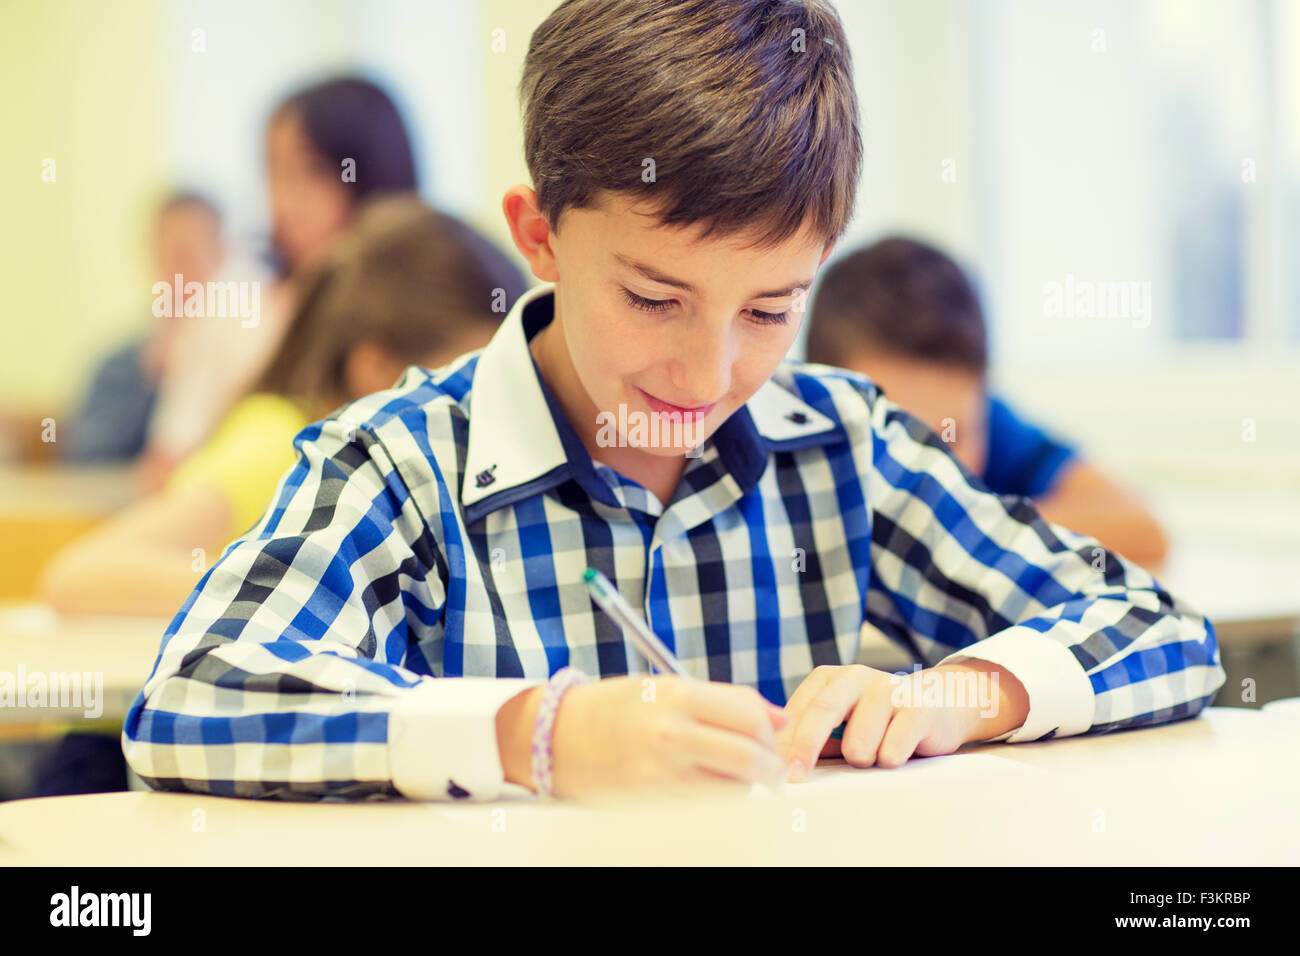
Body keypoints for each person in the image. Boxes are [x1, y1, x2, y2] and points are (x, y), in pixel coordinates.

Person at [123, 0, 1223, 806]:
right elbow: (195, 696)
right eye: (654, 297)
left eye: (768, 310)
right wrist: (531, 732)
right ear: (539, 233)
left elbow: (1161, 629)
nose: (705, 377)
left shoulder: (844, 448)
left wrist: (959, 693)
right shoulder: (402, 466)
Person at [38, 194, 528, 620]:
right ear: (375, 367)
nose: (478, 399)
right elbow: (77, 575)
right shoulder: (279, 442)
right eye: (463, 376)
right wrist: (296, 585)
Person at [804, 237, 1170, 569]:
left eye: (953, 436)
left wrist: (972, 524)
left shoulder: (996, 429)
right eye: (899, 437)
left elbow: (1143, 528)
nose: (936, 471)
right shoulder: (794, 453)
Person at [137, 76, 423, 491]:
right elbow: (164, 466)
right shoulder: (243, 311)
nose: (283, 202)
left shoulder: (423, 309)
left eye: (310, 172)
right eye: (273, 172)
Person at [61, 192, 224, 464]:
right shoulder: (116, 367)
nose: (182, 273)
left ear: (221, 256)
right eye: (175, 255)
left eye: (197, 252)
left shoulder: (239, 362)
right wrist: (150, 379)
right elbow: (84, 461)